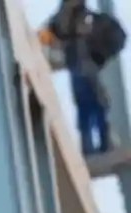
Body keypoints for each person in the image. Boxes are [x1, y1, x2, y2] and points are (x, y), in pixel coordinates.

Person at [50, 0, 117, 155]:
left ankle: (98, 145)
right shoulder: (75, 17)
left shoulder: (80, 16)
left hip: (82, 65)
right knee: (92, 106)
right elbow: (60, 30)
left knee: (92, 106)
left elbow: (59, 30)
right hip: (82, 65)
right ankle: (96, 146)